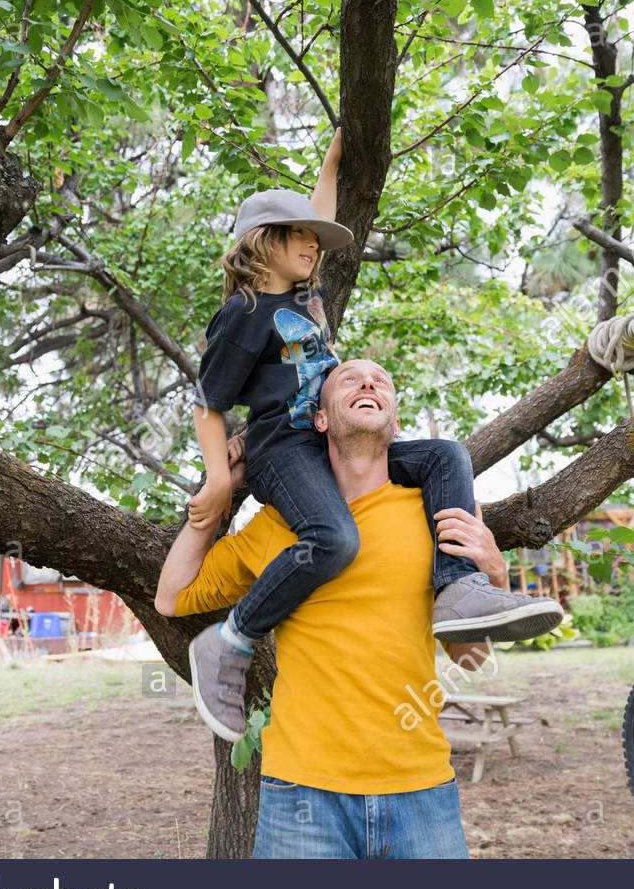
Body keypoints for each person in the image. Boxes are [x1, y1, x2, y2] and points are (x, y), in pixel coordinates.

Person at [183, 129, 562, 743]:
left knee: (446, 455)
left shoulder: (305, 296)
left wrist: (333, 162)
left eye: (313, 237)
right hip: (284, 451)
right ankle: (229, 640)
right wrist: (222, 480)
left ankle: (458, 589)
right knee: (333, 539)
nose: (312, 243)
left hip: (331, 441)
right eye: (298, 236)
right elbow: (208, 402)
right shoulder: (246, 311)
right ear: (264, 242)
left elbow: (321, 214)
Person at [156, 359, 515, 858]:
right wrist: (220, 493)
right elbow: (171, 597)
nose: (369, 382)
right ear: (319, 418)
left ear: (394, 422)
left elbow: (470, 658)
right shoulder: (276, 525)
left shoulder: (437, 512)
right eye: (349, 378)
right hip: (302, 792)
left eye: (381, 381)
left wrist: (494, 576)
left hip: (420, 788)